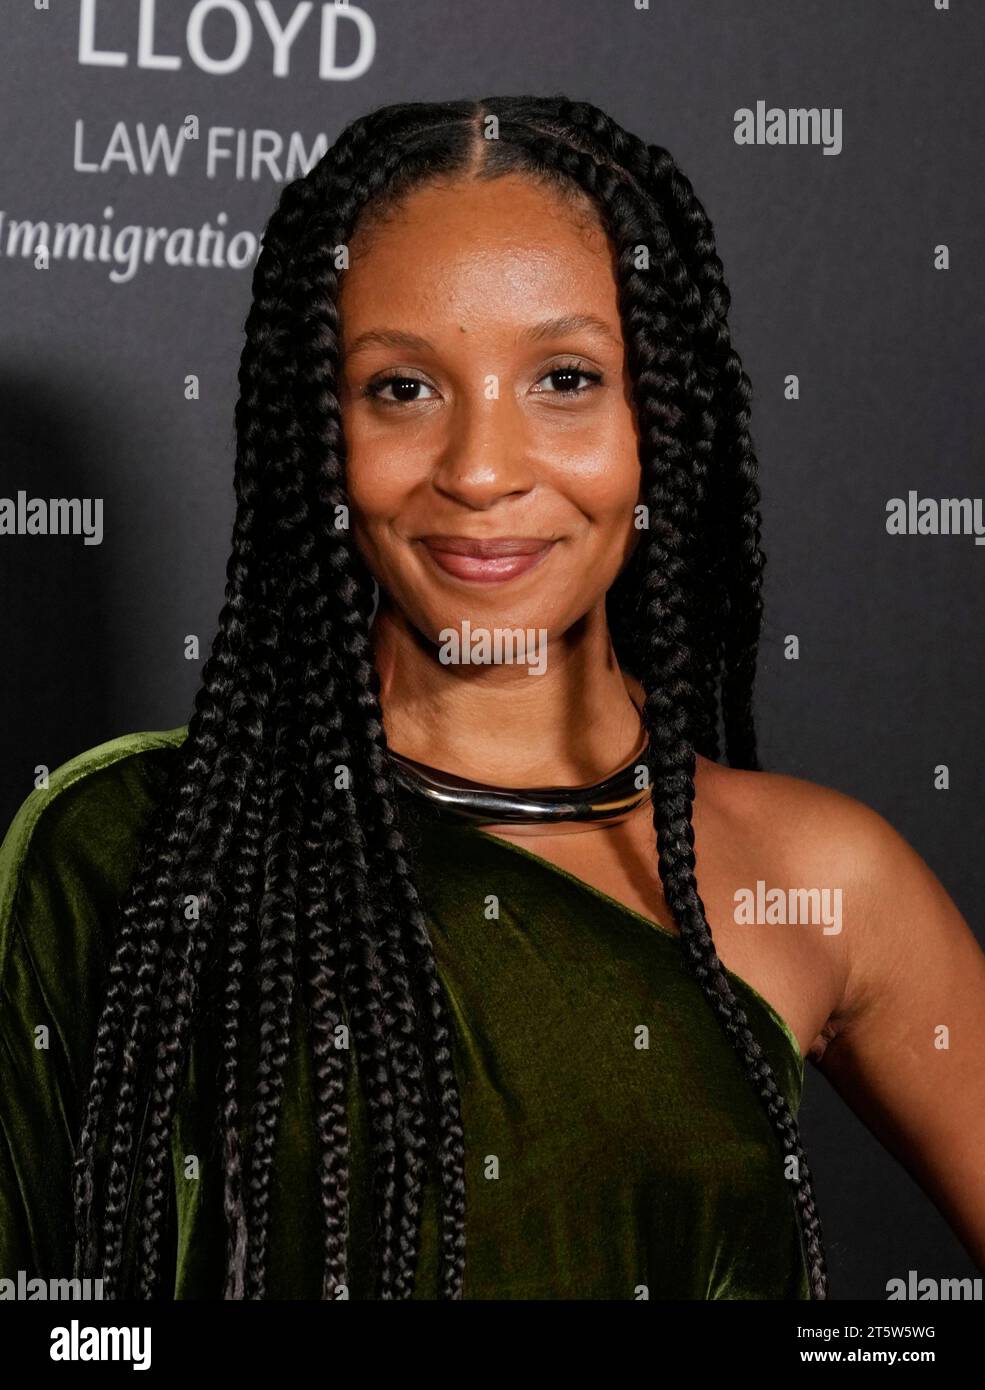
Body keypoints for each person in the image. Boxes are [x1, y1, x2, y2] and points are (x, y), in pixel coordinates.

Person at [1, 96, 983, 1302]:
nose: (478, 470)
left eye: (564, 378)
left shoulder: (826, 875)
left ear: (660, 425)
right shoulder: (126, 849)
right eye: (400, 389)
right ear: (318, 431)